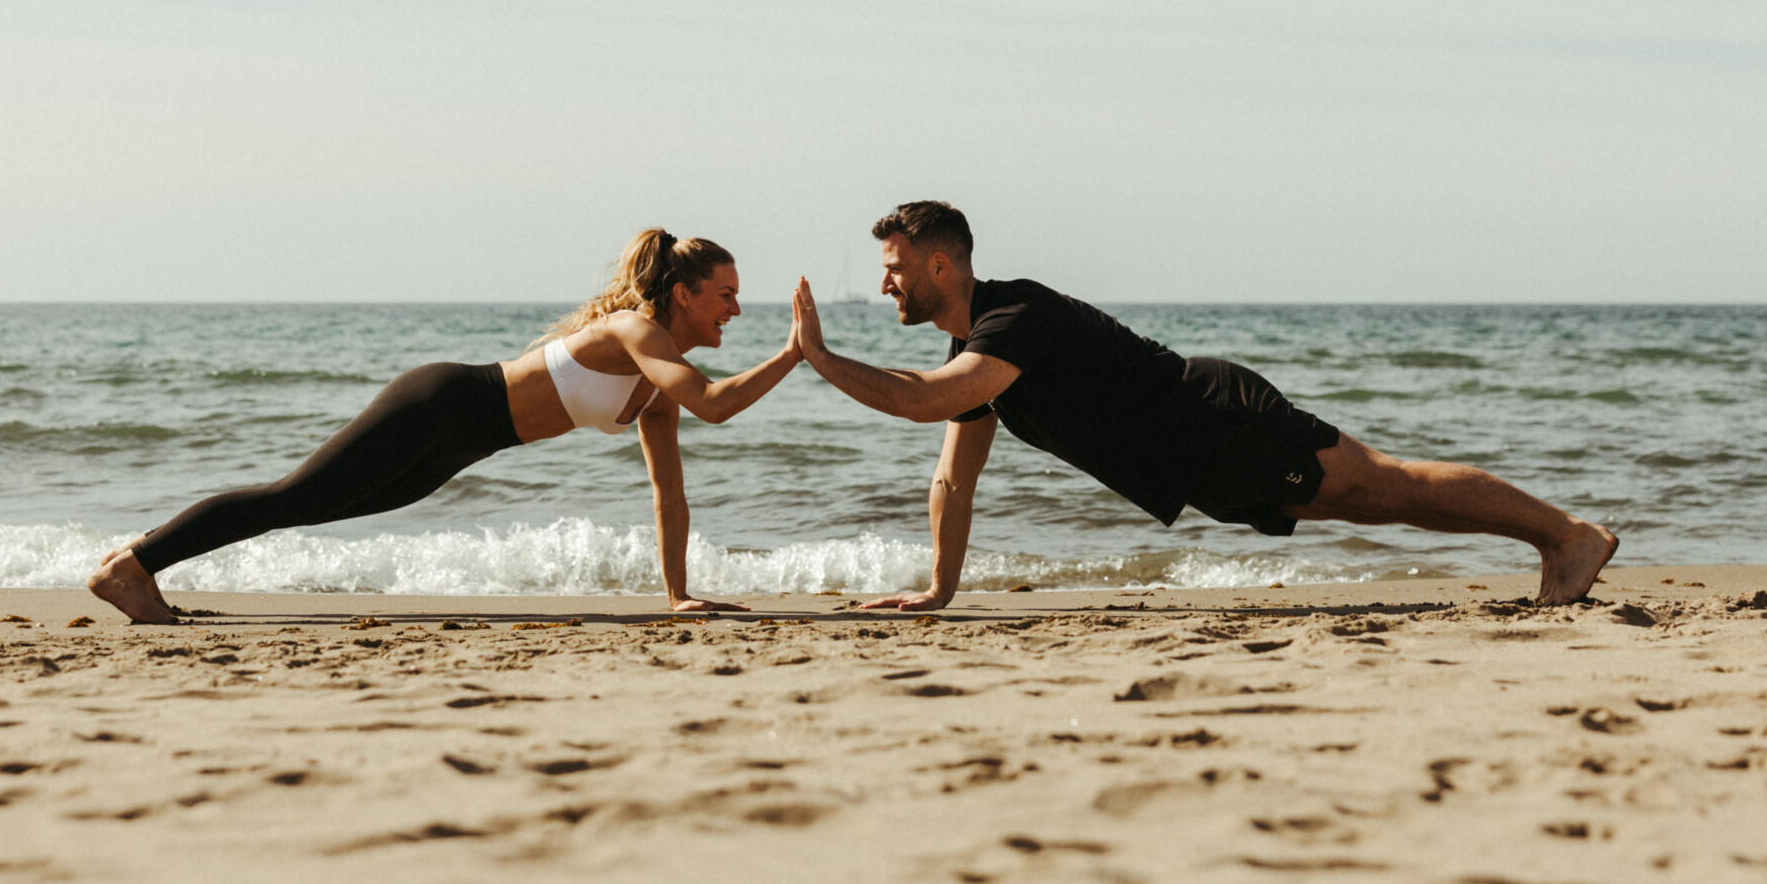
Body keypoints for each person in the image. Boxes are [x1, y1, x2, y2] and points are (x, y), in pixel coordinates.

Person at [790, 200, 1618, 611]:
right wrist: (940, 588)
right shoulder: (979, 352)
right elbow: (953, 479)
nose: (885, 281)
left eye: (895, 266)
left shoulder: (1016, 319)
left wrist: (821, 357)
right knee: (1376, 504)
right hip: (1206, 462)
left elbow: (920, 403)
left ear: (941, 266)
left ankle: (1569, 534)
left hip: (1222, 424)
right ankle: (1552, 543)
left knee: (1384, 485)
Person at [88, 230, 800, 623]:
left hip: (458, 447)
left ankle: (140, 569)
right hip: (443, 403)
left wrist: (677, 595)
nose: (735, 310)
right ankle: (132, 564)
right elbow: (719, 402)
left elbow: (668, 493)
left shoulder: (658, 380)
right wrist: (798, 351)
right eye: (726, 295)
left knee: (310, 507)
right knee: (293, 496)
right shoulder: (635, 329)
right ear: (682, 294)